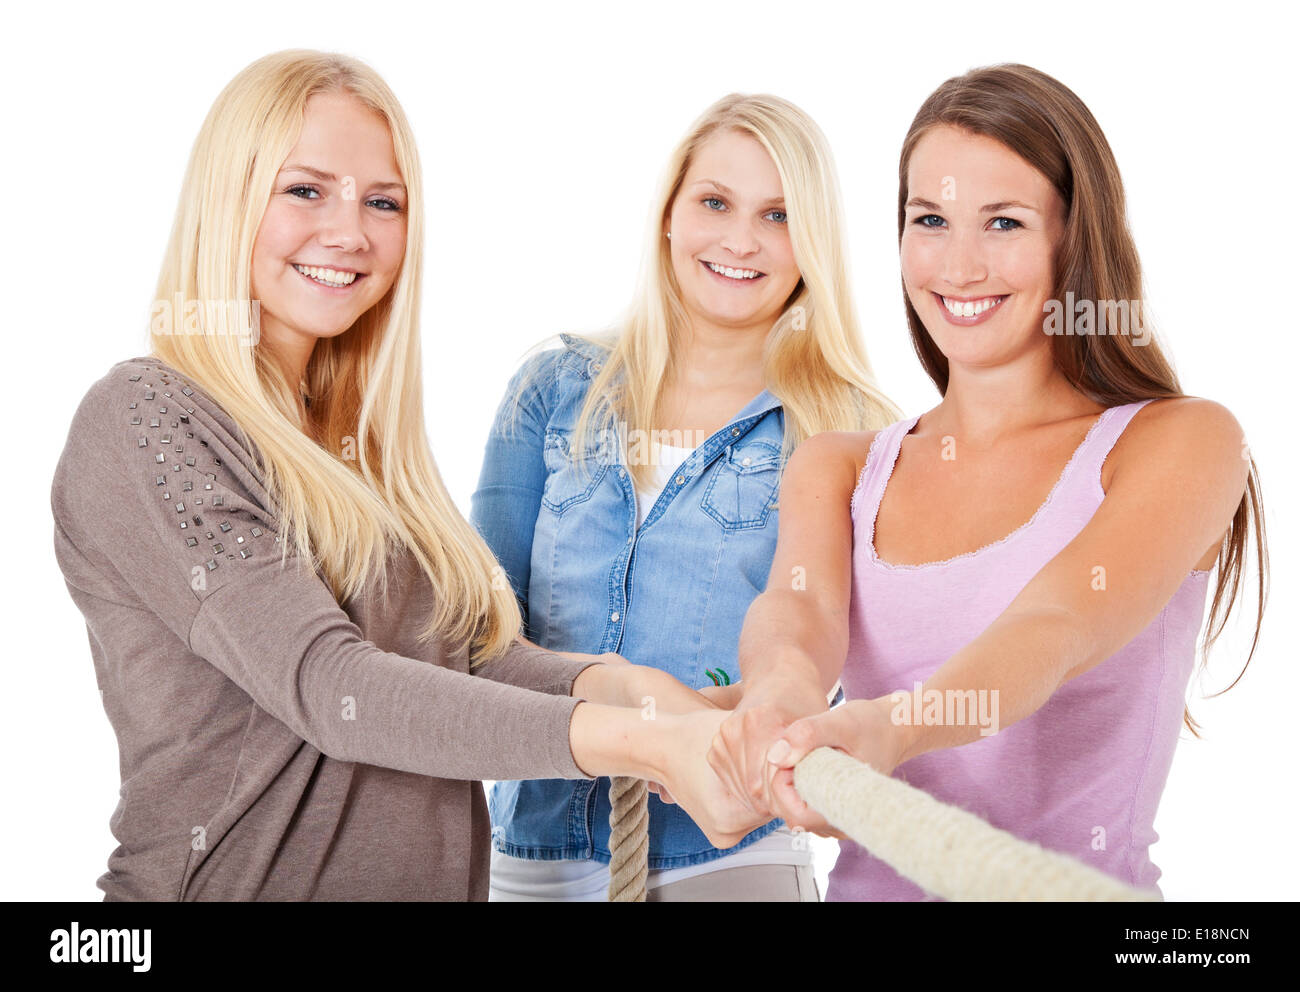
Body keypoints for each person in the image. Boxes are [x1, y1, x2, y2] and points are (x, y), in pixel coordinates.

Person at [50, 49, 758, 902]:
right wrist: (633, 744)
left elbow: (456, 665)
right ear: (227, 197)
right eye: (306, 190)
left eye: (382, 202)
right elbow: (335, 686)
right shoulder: (149, 417)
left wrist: (626, 689)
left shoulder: (361, 450)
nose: (350, 231)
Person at [708, 63, 1269, 900]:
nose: (959, 265)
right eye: (929, 219)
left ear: (1074, 239)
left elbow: (1058, 621)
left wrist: (893, 728)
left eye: (1003, 222)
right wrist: (784, 705)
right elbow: (798, 614)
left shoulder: (1178, 442)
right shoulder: (839, 466)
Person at [473, 94, 900, 900]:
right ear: (668, 214)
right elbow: (477, 633)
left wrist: (712, 727)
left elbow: (829, 663)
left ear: (813, 242)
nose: (741, 240)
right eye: (714, 202)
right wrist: (636, 721)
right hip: (532, 858)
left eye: (777, 215)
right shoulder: (551, 390)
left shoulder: (849, 429)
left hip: (731, 859)